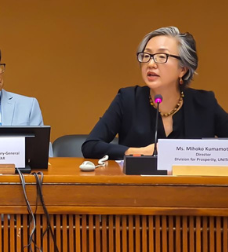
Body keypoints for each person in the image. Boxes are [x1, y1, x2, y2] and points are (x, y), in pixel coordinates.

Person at [82, 26, 228, 160]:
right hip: (138, 187)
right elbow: (91, 146)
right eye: (146, 56)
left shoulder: (205, 103)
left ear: (182, 69)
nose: (151, 64)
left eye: (161, 56)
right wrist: (137, 152)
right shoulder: (127, 99)